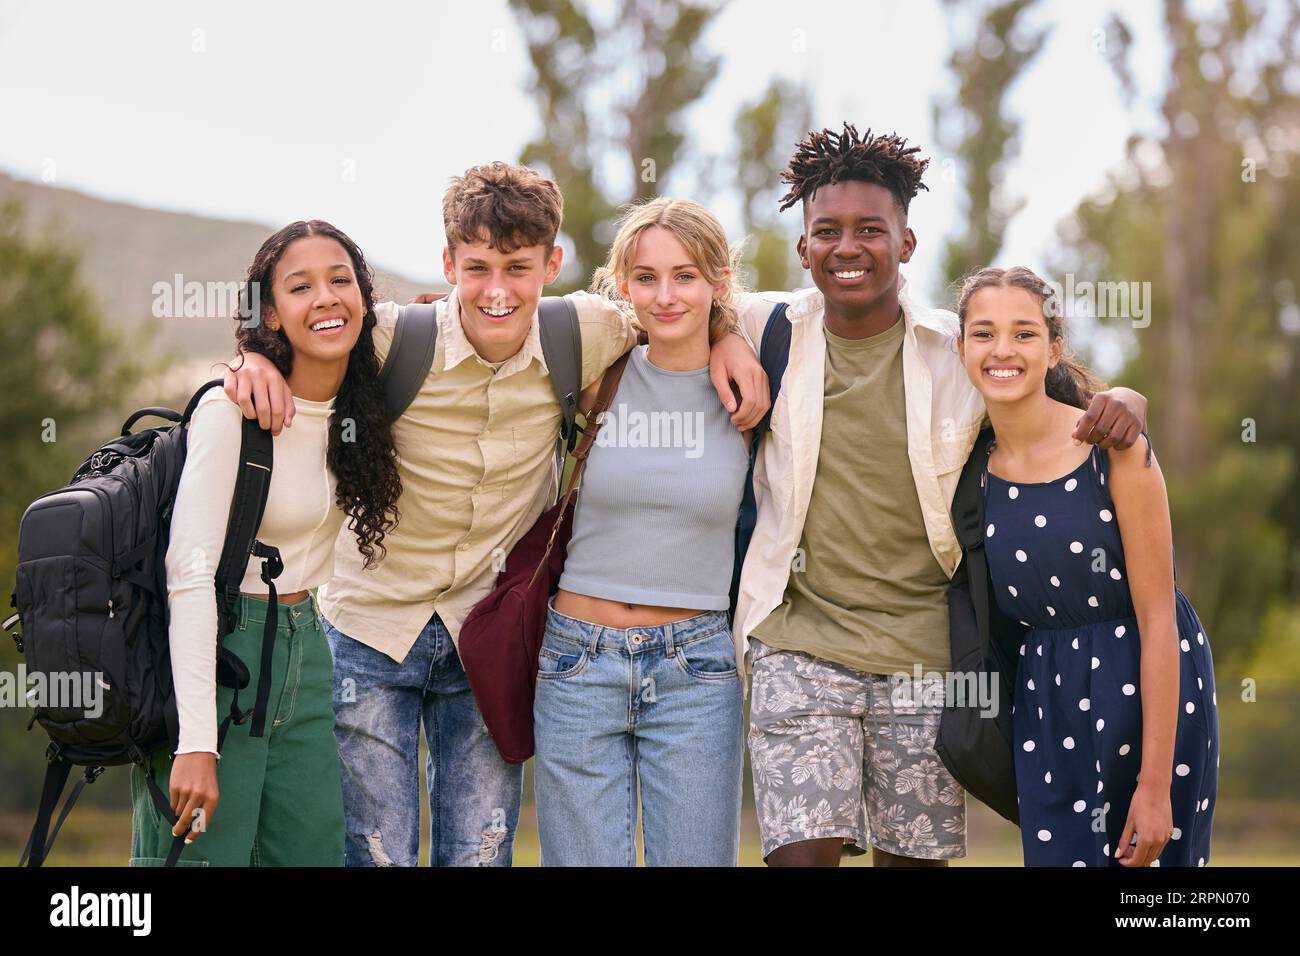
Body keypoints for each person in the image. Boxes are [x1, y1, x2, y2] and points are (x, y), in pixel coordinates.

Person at [224, 163, 769, 866]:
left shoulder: (587, 331)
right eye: (476, 267)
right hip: (371, 627)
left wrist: (729, 339)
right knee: (377, 852)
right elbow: (302, 325)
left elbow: (682, 311)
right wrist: (252, 360)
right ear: (447, 262)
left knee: (481, 854)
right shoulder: (391, 338)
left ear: (553, 263)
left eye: (518, 267)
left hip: (484, 634)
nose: (497, 290)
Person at [733, 123, 1151, 866]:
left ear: (907, 243)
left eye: (871, 229)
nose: (848, 247)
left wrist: (1129, 397)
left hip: (927, 660)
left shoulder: (956, 348)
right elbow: (660, 303)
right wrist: (720, 333)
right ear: (804, 249)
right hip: (797, 647)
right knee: (799, 857)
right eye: (826, 231)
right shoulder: (764, 326)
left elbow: (1070, 399)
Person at [131, 220, 402, 866]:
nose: (327, 298)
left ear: (364, 298)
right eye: (300, 286)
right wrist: (196, 741)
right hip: (222, 650)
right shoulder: (234, 410)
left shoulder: (358, 410)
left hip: (307, 650)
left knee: (310, 854)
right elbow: (189, 573)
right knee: (199, 859)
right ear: (272, 315)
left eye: (341, 280)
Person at [956, 265, 1218, 867]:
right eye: (983, 333)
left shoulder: (1113, 450)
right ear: (962, 348)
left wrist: (1155, 788)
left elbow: (1160, 620)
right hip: (1045, 701)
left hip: (1144, 684)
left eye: (1023, 334)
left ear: (1053, 349)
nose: (1002, 350)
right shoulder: (971, 471)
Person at [533, 198, 749, 866]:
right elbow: (483, 314)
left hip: (698, 669)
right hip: (576, 662)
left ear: (718, 281)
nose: (665, 295)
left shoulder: (753, 386)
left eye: (685, 276)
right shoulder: (594, 373)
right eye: (646, 277)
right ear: (622, 284)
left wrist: (735, 335)